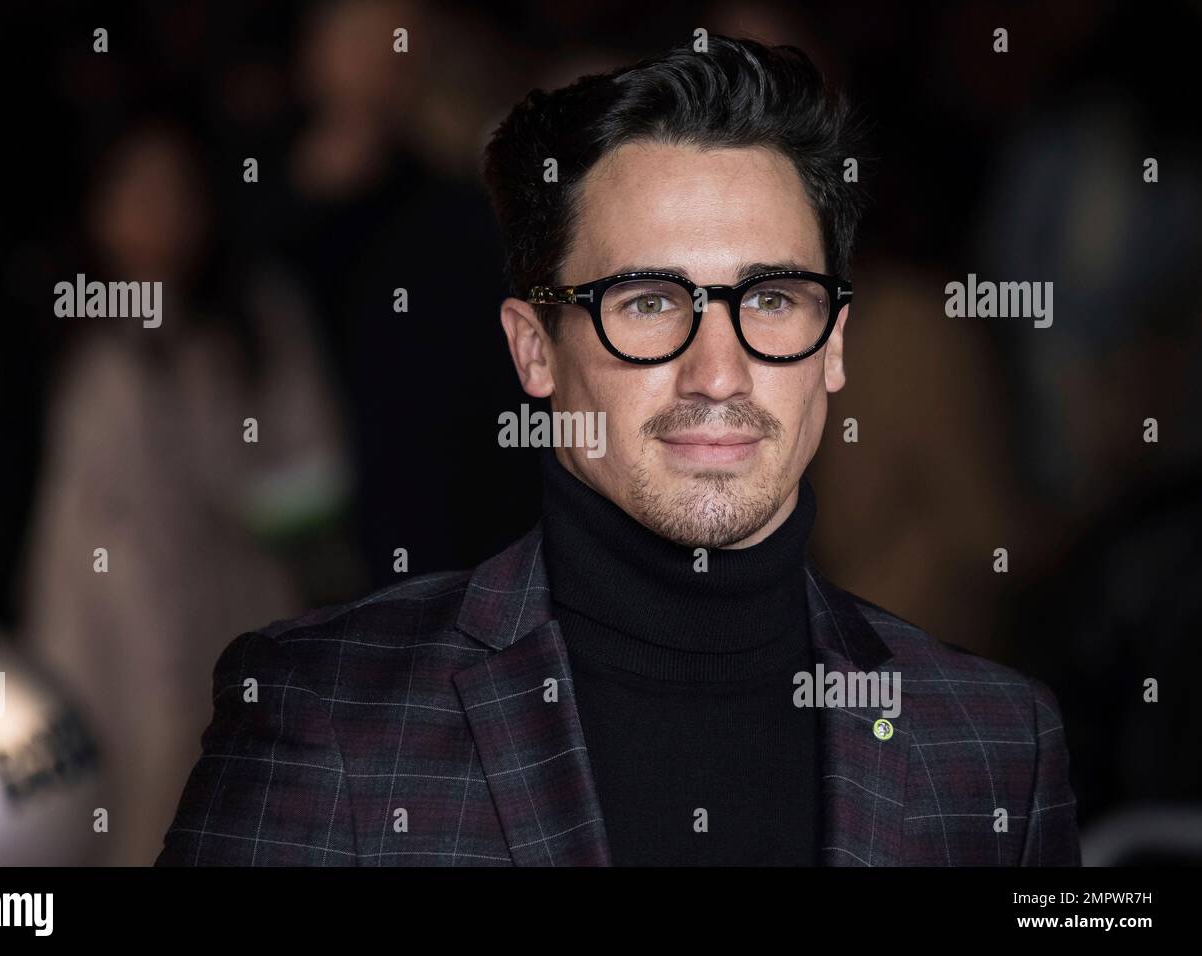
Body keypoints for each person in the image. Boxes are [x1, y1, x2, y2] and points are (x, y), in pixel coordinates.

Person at [156, 36, 1080, 867]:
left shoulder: (994, 744)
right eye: (646, 303)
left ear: (833, 343)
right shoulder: (333, 715)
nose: (718, 373)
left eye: (770, 302)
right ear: (533, 350)